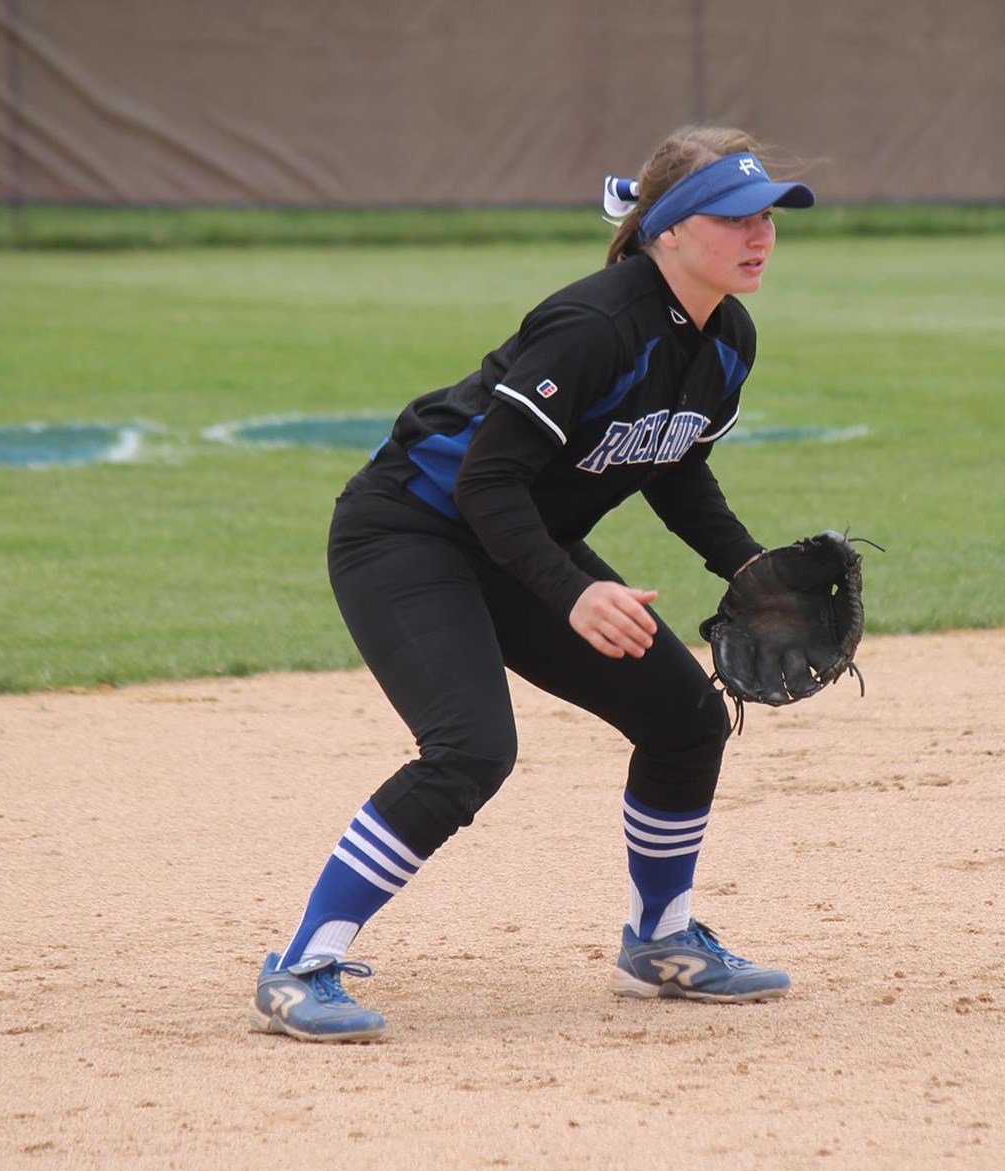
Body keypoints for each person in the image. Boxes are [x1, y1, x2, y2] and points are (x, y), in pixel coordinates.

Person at [252, 125, 817, 1043]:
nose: (759, 235)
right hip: (409, 532)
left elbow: (672, 466)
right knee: (470, 749)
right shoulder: (595, 325)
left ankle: (661, 942)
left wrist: (748, 567)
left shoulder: (726, 341)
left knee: (685, 719)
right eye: (734, 217)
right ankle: (301, 965)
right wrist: (571, 592)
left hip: (519, 543)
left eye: (769, 217)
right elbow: (484, 480)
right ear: (668, 230)